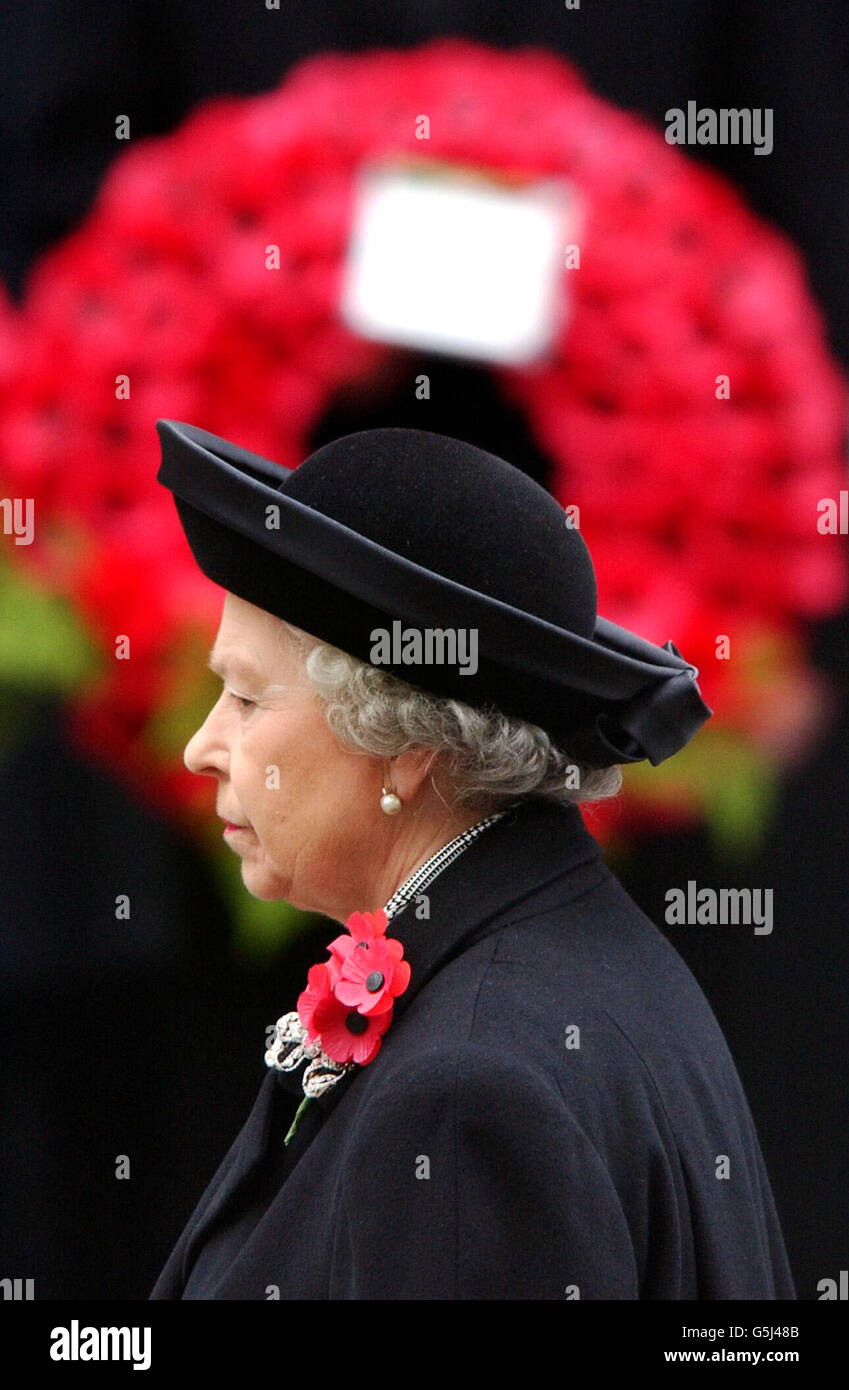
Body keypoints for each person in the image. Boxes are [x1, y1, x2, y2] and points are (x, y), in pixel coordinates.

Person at [149, 420, 794, 1300]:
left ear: (405, 745)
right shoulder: (570, 954)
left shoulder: (465, 1098)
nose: (201, 747)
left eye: (248, 697)